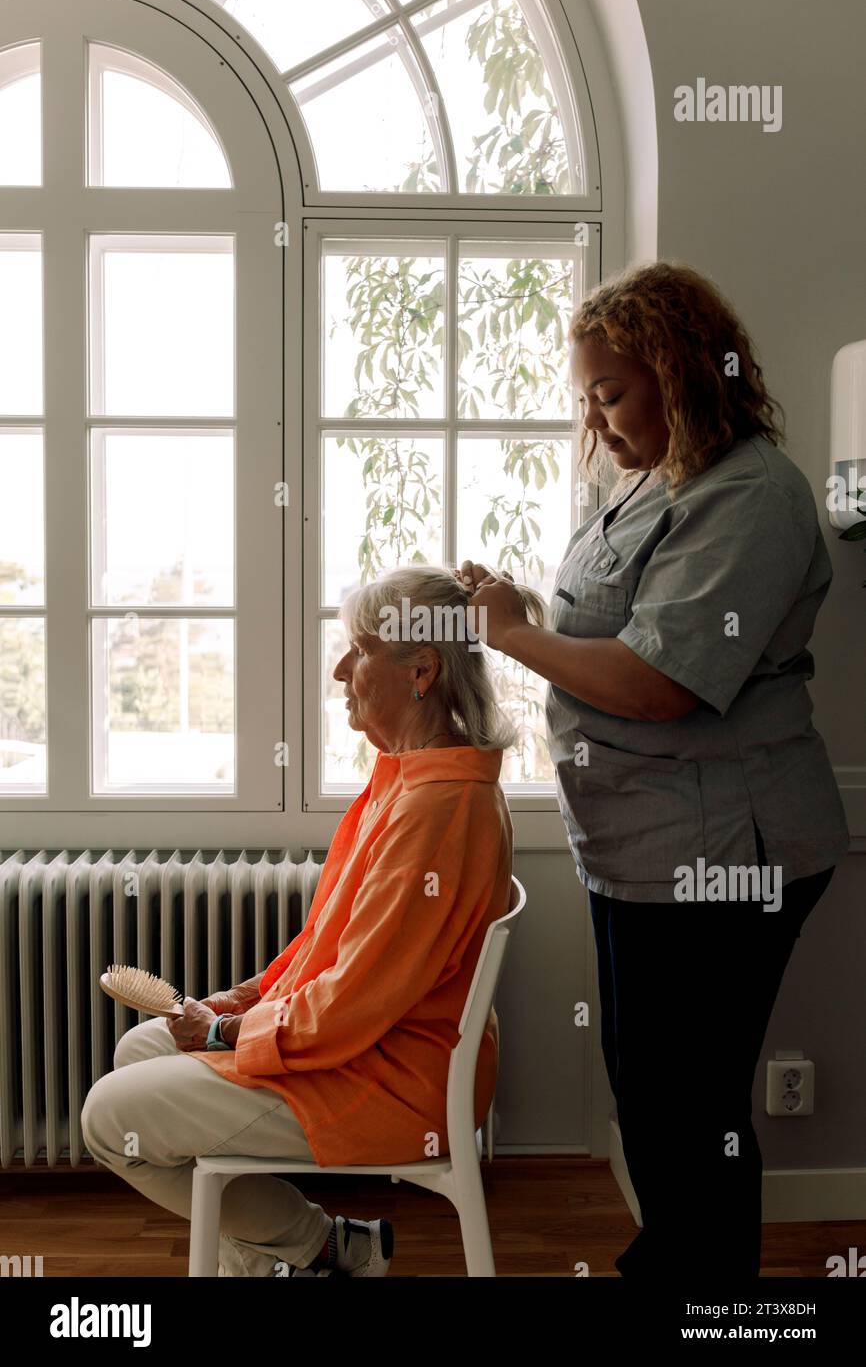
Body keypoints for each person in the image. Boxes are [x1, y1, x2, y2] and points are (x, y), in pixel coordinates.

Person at [458, 260, 849, 1279]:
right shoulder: (644, 479)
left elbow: (657, 683)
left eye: (611, 392)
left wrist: (509, 635)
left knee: (692, 1101)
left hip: (724, 847)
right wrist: (526, 611)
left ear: (680, 371)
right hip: (638, 844)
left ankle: (706, 1291)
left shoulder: (754, 495)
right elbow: (613, 633)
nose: (595, 420)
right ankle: (679, 1262)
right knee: (646, 1083)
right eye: (584, 396)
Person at [81, 564, 543, 1278]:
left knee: (111, 1119)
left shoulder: (436, 807)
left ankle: (302, 1252)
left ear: (421, 670)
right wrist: (238, 1003)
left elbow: (352, 1000)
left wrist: (223, 1033)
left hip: (391, 1078)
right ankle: (324, 1248)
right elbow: (325, 946)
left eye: (358, 650)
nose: (339, 671)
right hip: (368, 1046)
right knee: (139, 1053)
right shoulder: (410, 778)